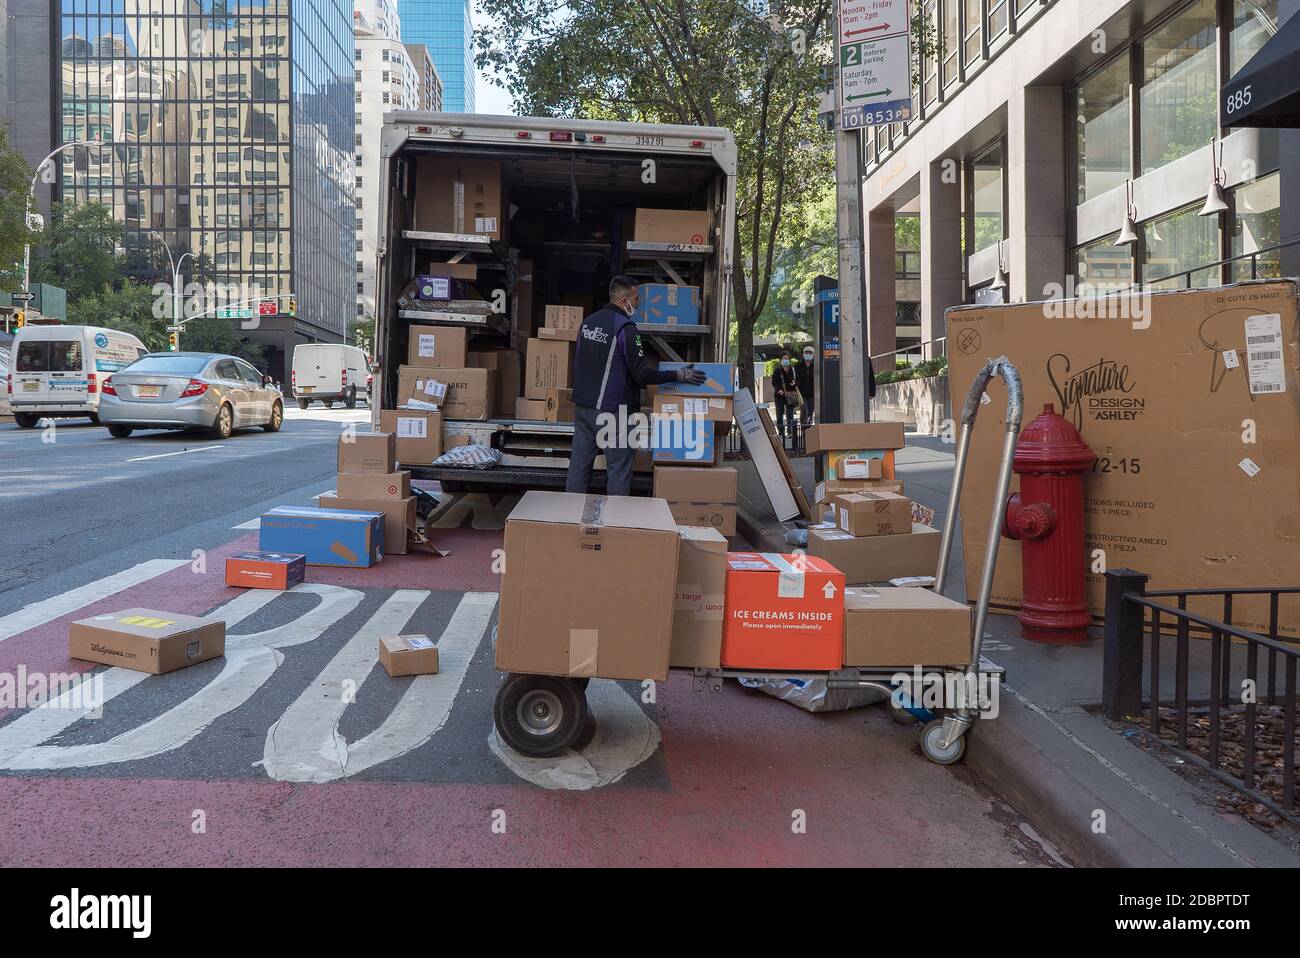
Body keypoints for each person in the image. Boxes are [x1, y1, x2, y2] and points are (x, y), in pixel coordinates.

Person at [566, 275, 706, 496]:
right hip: (613, 413)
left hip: (583, 408)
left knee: (579, 467)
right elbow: (641, 374)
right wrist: (679, 374)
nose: (639, 303)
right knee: (618, 469)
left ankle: (568, 519)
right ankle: (616, 523)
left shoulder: (587, 324)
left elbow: (578, 364)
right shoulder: (626, 330)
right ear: (624, 300)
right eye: (636, 298)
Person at [770, 350, 799, 446]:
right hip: (780, 396)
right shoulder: (777, 371)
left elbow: (797, 380)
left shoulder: (793, 370)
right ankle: (781, 432)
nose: (785, 360)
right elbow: (774, 382)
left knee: (790, 414)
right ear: (780, 360)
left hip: (790, 395)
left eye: (787, 359)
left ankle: (790, 431)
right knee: (779, 414)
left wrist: (794, 383)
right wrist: (779, 390)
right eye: (783, 359)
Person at [794, 345, 816, 430]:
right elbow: (796, 377)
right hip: (801, 392)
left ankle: (809, 427)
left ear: (813, 354)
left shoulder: (816, 364)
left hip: (812, 392)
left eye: (810, 353)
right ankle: (804, 428)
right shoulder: (798, 365)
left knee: (810, 411)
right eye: (806, 353)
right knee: (804, 411)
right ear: (803, 354)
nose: (808, 354)